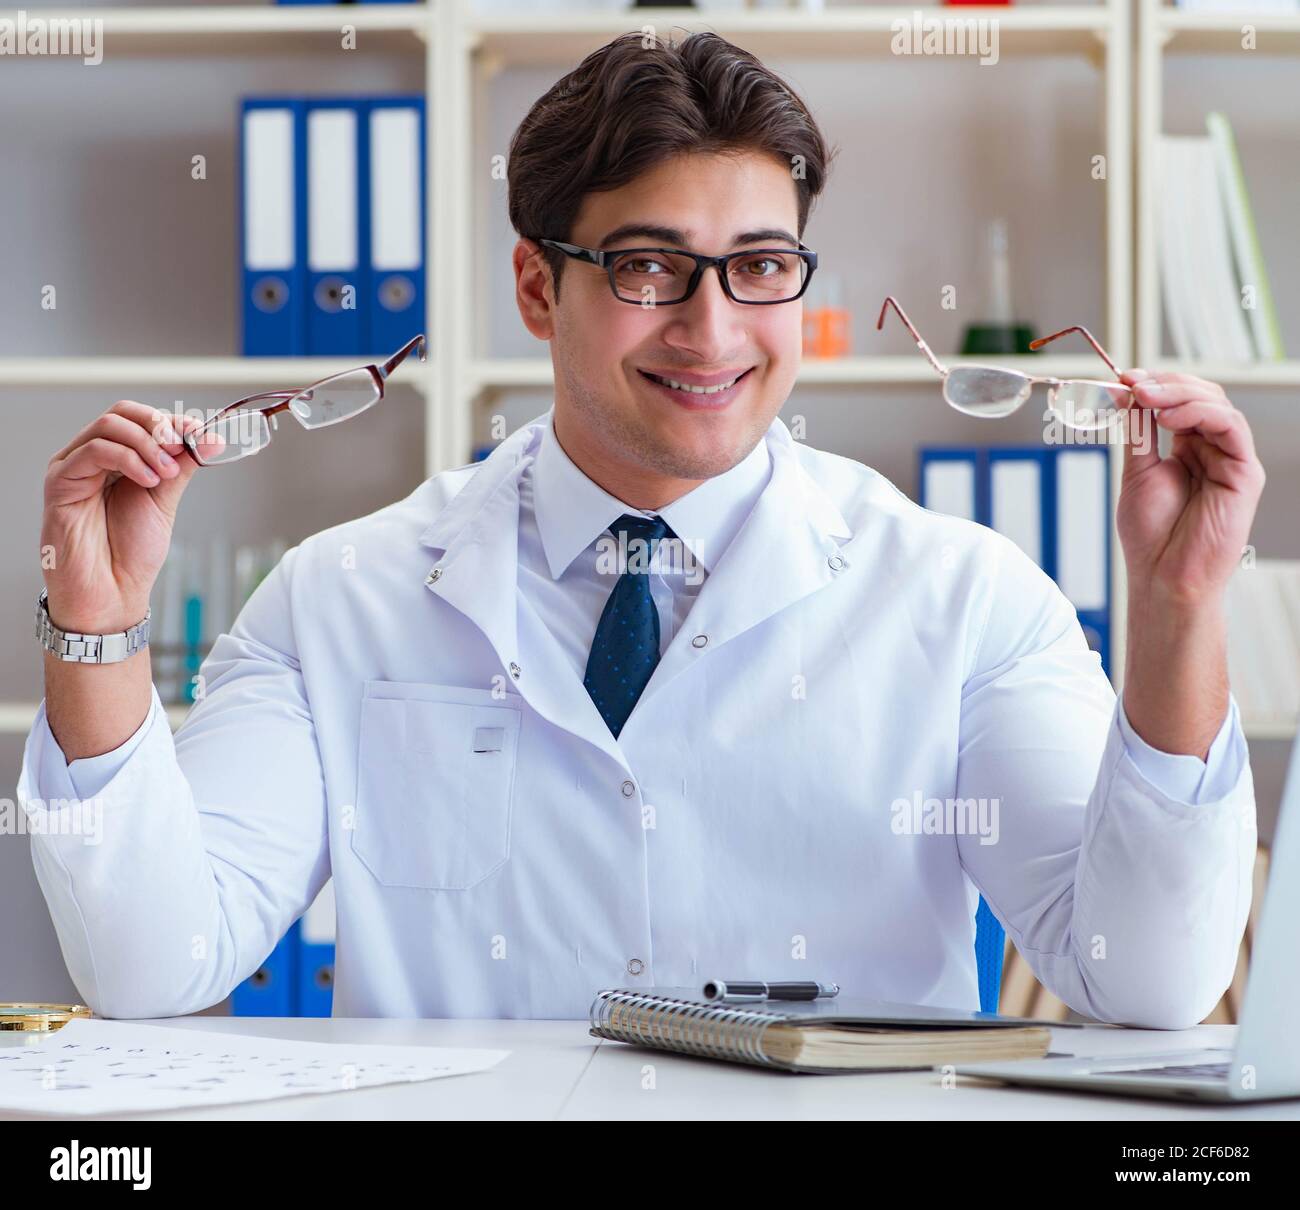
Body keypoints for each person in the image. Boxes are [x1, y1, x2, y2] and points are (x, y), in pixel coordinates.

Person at [19, 32, 1264, 1025]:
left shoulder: (965, 599)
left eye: (760, 265)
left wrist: (1175, 613)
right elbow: (154, 963)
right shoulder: (337, 596)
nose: (712, 330)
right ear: (533, 287)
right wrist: (98, 624)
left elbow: (1142, 979)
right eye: (648, 267)